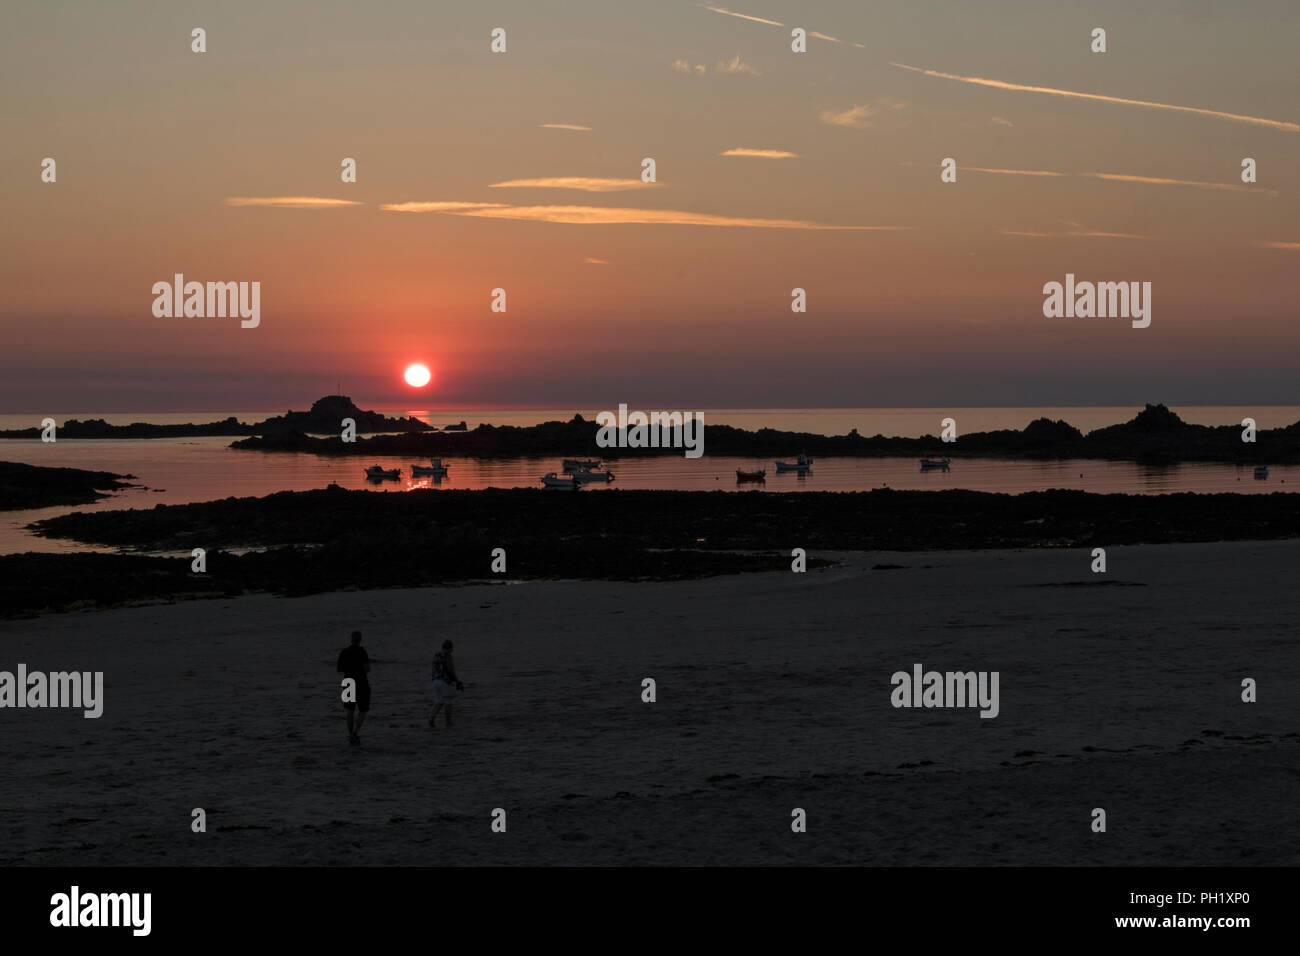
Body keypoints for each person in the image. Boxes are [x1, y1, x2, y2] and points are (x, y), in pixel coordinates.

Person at [336, 630, 371, 745]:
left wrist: (349, 668)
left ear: (351, 639)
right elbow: (366, 668)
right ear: (360, 640)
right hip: (361, 682)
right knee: (363, 710)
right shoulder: (362, 651)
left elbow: (339, 669)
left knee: (349, 710)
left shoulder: (344, 652)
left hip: (348, 682)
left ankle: (350, 734)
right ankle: (356, 732)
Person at [428, 639, 463, 727]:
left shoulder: (436, 655)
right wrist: (456, 681)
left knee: (439, 701)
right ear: (450, 648)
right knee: (448, 701)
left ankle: (431, 719)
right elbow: (450, 670)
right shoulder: (448, 655)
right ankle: (448, 722)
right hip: (445, 682)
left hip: (435, 681)